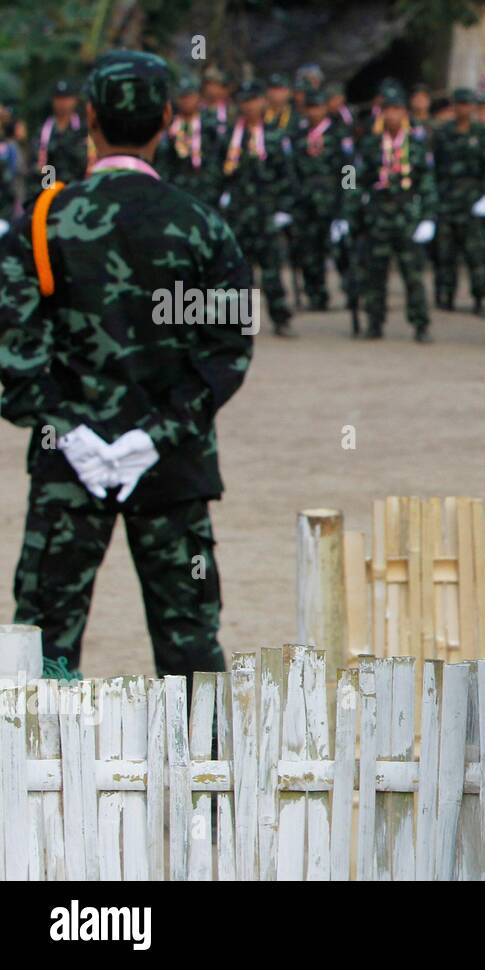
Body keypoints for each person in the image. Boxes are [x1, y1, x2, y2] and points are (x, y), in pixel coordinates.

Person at [0, 50, 252, 687]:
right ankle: (203, 781)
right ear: (167, 119)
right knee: (190, 645)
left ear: (89, 117)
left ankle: (41, 782)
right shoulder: (202, 226)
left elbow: (13, 344)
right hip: (171, 464)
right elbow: (227, 350)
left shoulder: (40, 221)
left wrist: (71, 430)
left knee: (44, 647)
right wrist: (154, 436)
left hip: (67, 464)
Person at [344, 81, 437, 341]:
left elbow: (427, 183)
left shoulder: (417, 144)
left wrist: (428, 217)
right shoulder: (369, 144)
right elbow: (353, 179)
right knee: (374, 274)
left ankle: (421, 324)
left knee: (413, 274)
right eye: (388, 109)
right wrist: (350, 214)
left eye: (397, 109)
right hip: (377, 216)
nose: (393, 115)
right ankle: (374, 322)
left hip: (407, 215)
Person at [218, 79, 297, 337]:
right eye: (245, 102)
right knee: (239, 270)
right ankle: (240, 321)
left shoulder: (275, 135)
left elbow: (287, 176)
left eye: (253, 100)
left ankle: (280, 318)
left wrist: (284, 209)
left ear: (262, 102)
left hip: (267, 211)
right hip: (239, 213)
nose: (249, 106)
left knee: (272, 268)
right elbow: (219, 174)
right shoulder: (230, 136)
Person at [432, 88, 485, 314]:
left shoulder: (482, 133)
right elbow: (435, 168)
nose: (464, 109)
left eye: (468, 105)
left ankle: (480, 297)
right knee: (446, 253)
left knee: (476, 253)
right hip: (448, 200)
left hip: (473, 200)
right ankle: (445, 296)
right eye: (460, 104)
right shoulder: (442, 133)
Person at [291, 86, 353, 312]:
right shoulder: (298, 134)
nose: (313, 112)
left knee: (340, 250)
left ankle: (351, 291)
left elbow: (348, 169)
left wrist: (348, 200)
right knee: (309, 250)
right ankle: (316, 295)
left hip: (332, 200)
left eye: (317, 106)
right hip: (306, 202)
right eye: (309, 107)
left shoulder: (338, 134)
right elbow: (292, 169)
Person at [156, 75, 223, 209]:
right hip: (176, 193)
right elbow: (163, 162)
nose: (186, 101)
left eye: (190, 96)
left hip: (206, 192)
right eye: (182, 97)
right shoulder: (170, 127)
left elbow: (219, 157)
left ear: (198, 97)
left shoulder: (210, 126)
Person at [28, 79, 88, 196]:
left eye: (66, 98)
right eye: (58, 99)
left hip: (80, 192)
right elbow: (37, 167)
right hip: (48, 192)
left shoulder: (84, 130)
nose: (62, 103)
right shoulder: (43, 132)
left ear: (75, 100)